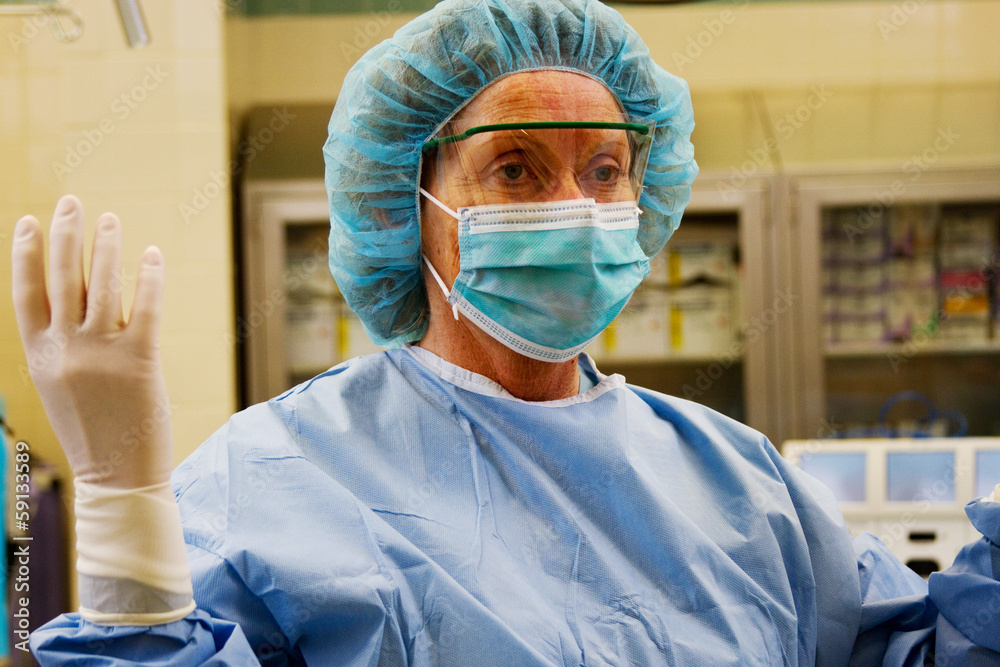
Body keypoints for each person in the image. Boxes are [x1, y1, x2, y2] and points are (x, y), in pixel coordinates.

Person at [12, 0, 1000, 664]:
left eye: (605, 170)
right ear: (411, 202)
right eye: (518, 170)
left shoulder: (741, 483)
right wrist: (120, 504)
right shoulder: (274, 479)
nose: (574, 206)